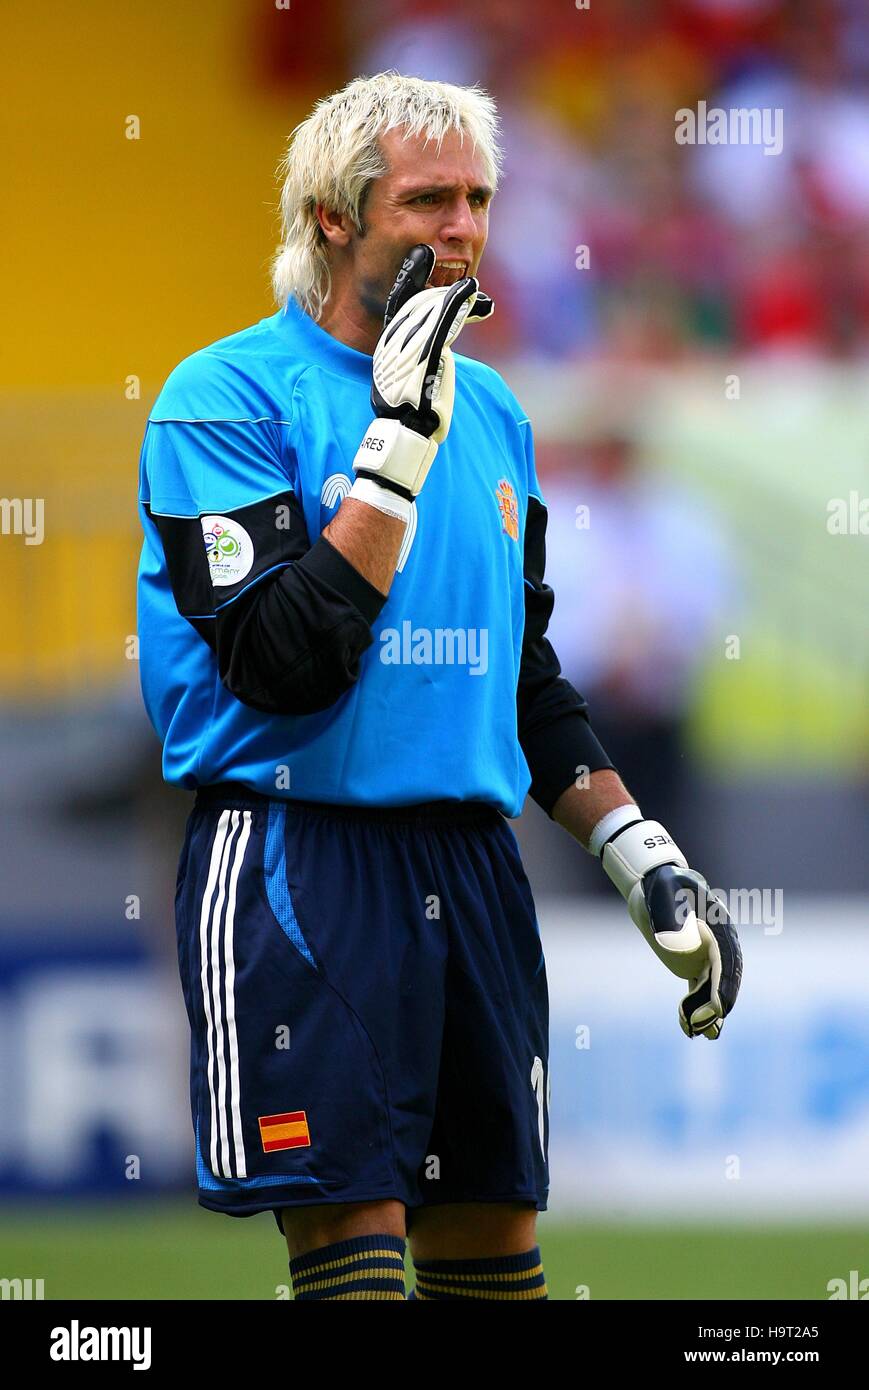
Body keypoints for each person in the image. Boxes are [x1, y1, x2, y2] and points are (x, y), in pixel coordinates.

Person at [136, 71, 741, 1302]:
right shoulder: (224, 398)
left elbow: (521, 669)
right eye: (424, 201)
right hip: (297, 853)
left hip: (470, 863)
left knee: (493, 1254)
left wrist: (636, 848)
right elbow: (281, 663)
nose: (461, 227)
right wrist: (395, 448)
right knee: (353, 1250)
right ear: (332, 219)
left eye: (475, 198)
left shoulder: (500, 412)